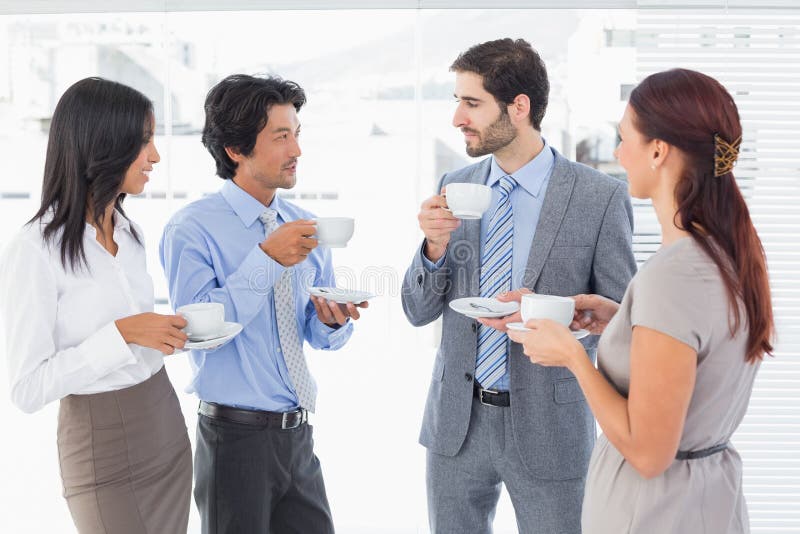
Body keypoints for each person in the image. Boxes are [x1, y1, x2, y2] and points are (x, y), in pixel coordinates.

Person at [506, 68, 774, 533]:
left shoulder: (672, 276)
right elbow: (694, 353)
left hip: (655, 515)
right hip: (707, 507)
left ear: (657, 151)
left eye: (624, 137)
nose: (617, 153)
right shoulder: (730, 253)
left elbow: (649, 454)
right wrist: (623, 323)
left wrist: (573, 357)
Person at [401, 38, 637, 533]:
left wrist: (552, 316)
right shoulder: (456, 185)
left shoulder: (599, 197)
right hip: (456, 424)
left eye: (472, 103)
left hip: (552, 429)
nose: (457, 118)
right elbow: (418, 311)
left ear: (519, 106)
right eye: (457, 102)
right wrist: (433, 248)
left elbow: (622, 325)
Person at [160, 73, 367, 534]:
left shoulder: (304, 224)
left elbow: (318, 334)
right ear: (236, 149)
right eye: (281, 136)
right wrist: (266, 260)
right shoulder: (191, 229)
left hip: (299, 437)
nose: (297, 150)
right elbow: (197, 335)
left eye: (297, 134)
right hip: (234, 442)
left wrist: (332, 322)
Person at [0, 77, 192, 534]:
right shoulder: (36, 249)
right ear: (103, 145)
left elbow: (141, 341)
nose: (155, 156)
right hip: (100, 445)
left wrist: (166, 334)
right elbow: (27, 388)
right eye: (143, 141)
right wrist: (123, 334)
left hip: (165, 425)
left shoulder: (131, 234)